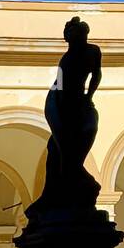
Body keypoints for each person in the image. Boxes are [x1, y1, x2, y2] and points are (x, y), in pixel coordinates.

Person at [27, 17, 102, 217]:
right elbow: (59, 85)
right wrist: (56, 105)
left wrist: (89, 96)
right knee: (55, 152)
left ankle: (87, 186)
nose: (69, 40)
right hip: (65, 106)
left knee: (69, 155)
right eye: (68, 36)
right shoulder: (66, 59)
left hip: (78, 104)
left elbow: (96, 75)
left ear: (82, 35)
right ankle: (62, 193)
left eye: (72, 35)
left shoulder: (92, 51)